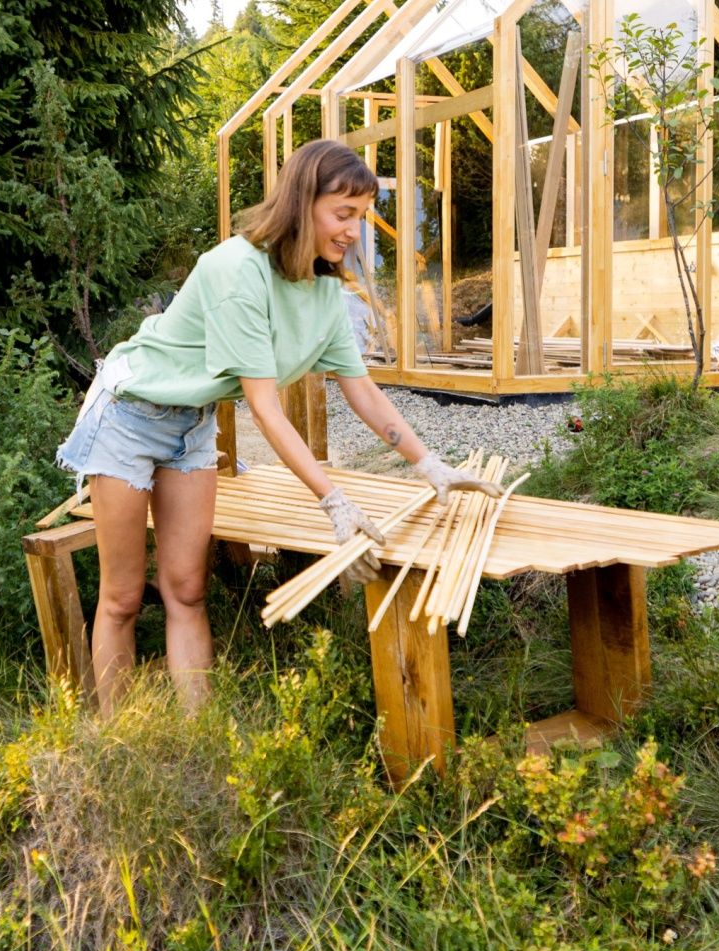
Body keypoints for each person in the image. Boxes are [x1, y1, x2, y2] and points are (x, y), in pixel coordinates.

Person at [55, 138, 503, 709]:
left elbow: (361, 388)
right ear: (300, 203)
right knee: (120, 595)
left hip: (189, 423)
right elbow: (265, 409)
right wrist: (333, 501)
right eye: (343, 214)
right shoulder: (234, 270)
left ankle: (199, 736)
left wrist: (429, 464)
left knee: (186, 589)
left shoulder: (323, 287)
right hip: (128, 413)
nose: (353, 231)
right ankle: (116, 738)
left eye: (361, 217)